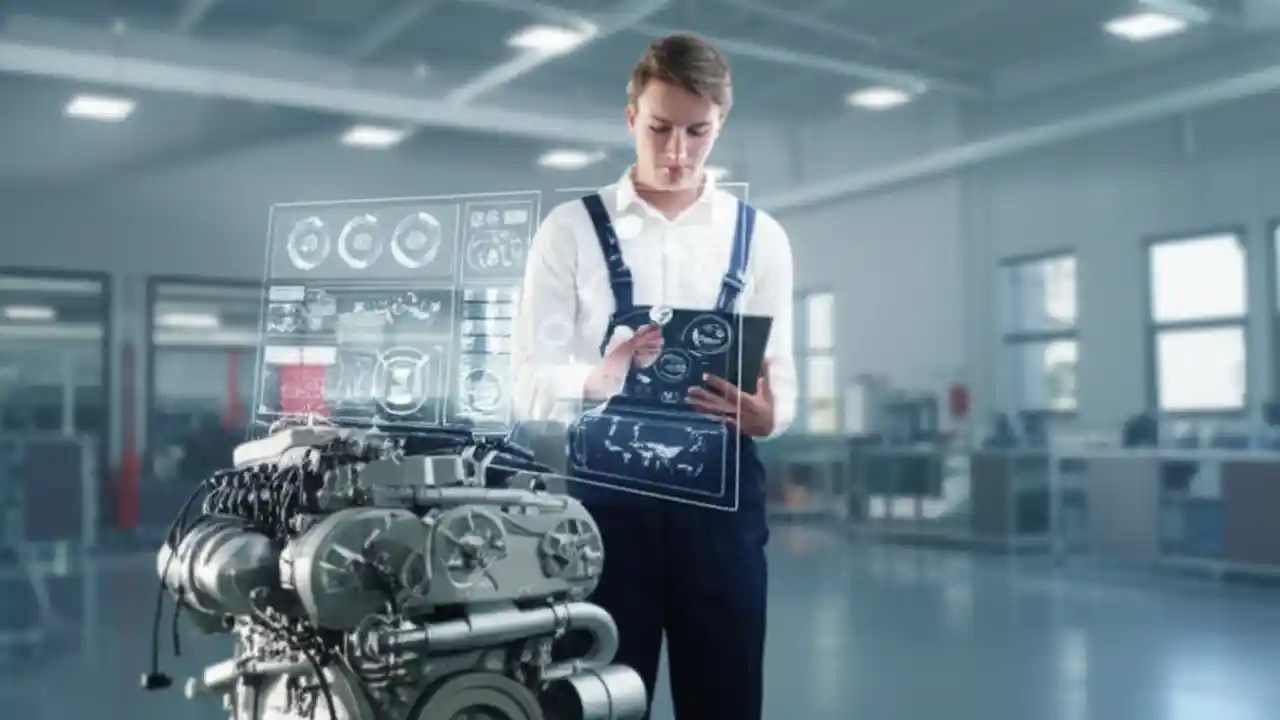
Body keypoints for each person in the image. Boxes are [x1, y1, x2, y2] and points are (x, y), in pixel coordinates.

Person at [511, 32, 796, 720]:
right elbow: (523, 380)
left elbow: (781, 374)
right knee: (599, 700)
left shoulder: (761, 237)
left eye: (698, 132)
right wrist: (596, 379)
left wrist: (770, 416)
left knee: (726, 700)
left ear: (720, 123)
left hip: (722, 514)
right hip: (606, 515)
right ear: (630, 117)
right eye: (661, 127)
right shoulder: (570, 232)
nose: (678, 151)